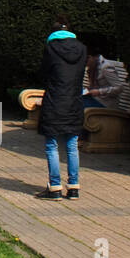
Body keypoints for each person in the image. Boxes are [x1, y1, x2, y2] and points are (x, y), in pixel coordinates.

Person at [37, 14, 87, 200]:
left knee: (52, 145)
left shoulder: (50, 49)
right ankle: (73, 186)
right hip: (74, 101)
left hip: (54, 100)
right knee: (72, 145)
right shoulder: (82, 49)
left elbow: (43, 73)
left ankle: (55, 186)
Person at [84, 45, 130, 110]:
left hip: (106, 103)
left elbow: (119, 88)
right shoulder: (93, 67)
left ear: (90, 57)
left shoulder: (105, 67)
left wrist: (99, 91)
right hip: (97, 99)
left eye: (85, 62)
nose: (86, 65)